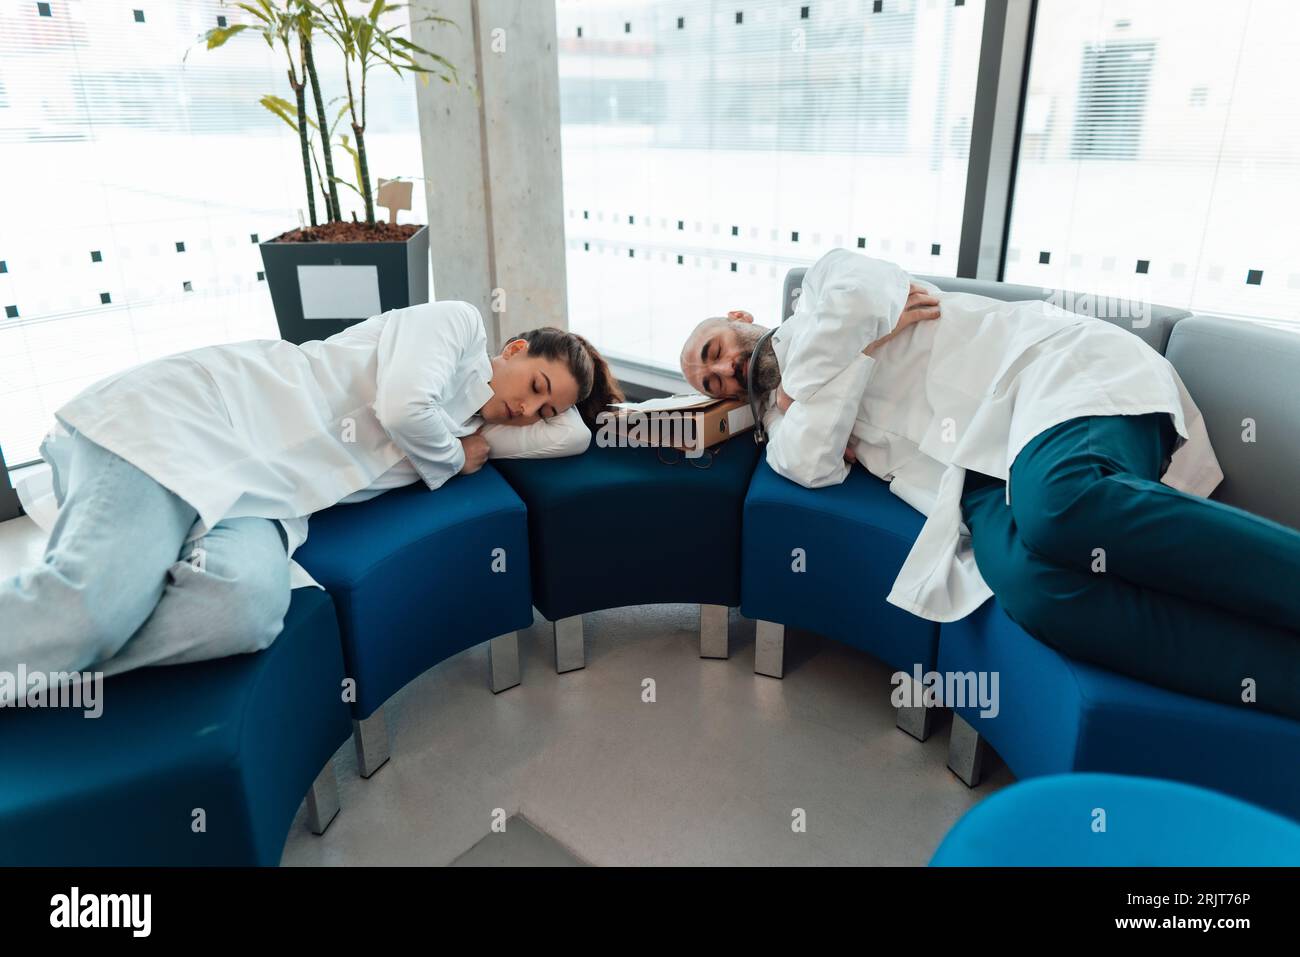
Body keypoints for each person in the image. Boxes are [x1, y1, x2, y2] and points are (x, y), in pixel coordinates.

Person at [680, 248, 1300, 719]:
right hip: (974, 478)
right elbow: (812, 462)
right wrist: (862, 346)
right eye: (711, 382)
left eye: (715, 348)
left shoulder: (818, 294)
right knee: (1035, 592)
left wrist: (819, 371)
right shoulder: (782, 421)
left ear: (739, 317)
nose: (723, 369)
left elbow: (856, 289)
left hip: (1052, 378)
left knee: (1063, 506)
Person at [0, 300, 622, 690]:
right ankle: (66, 639)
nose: (530, 408)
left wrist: (567, 399)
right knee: (91, 607)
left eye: (545, 406)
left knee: (244, 610)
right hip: (188, 424)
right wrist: (458, 457)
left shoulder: (483, 431)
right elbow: (404, 406)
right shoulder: (457, 327)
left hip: (263, 504)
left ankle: (51, 667)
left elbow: (571, 438)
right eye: (536, 384)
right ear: (512, 348)